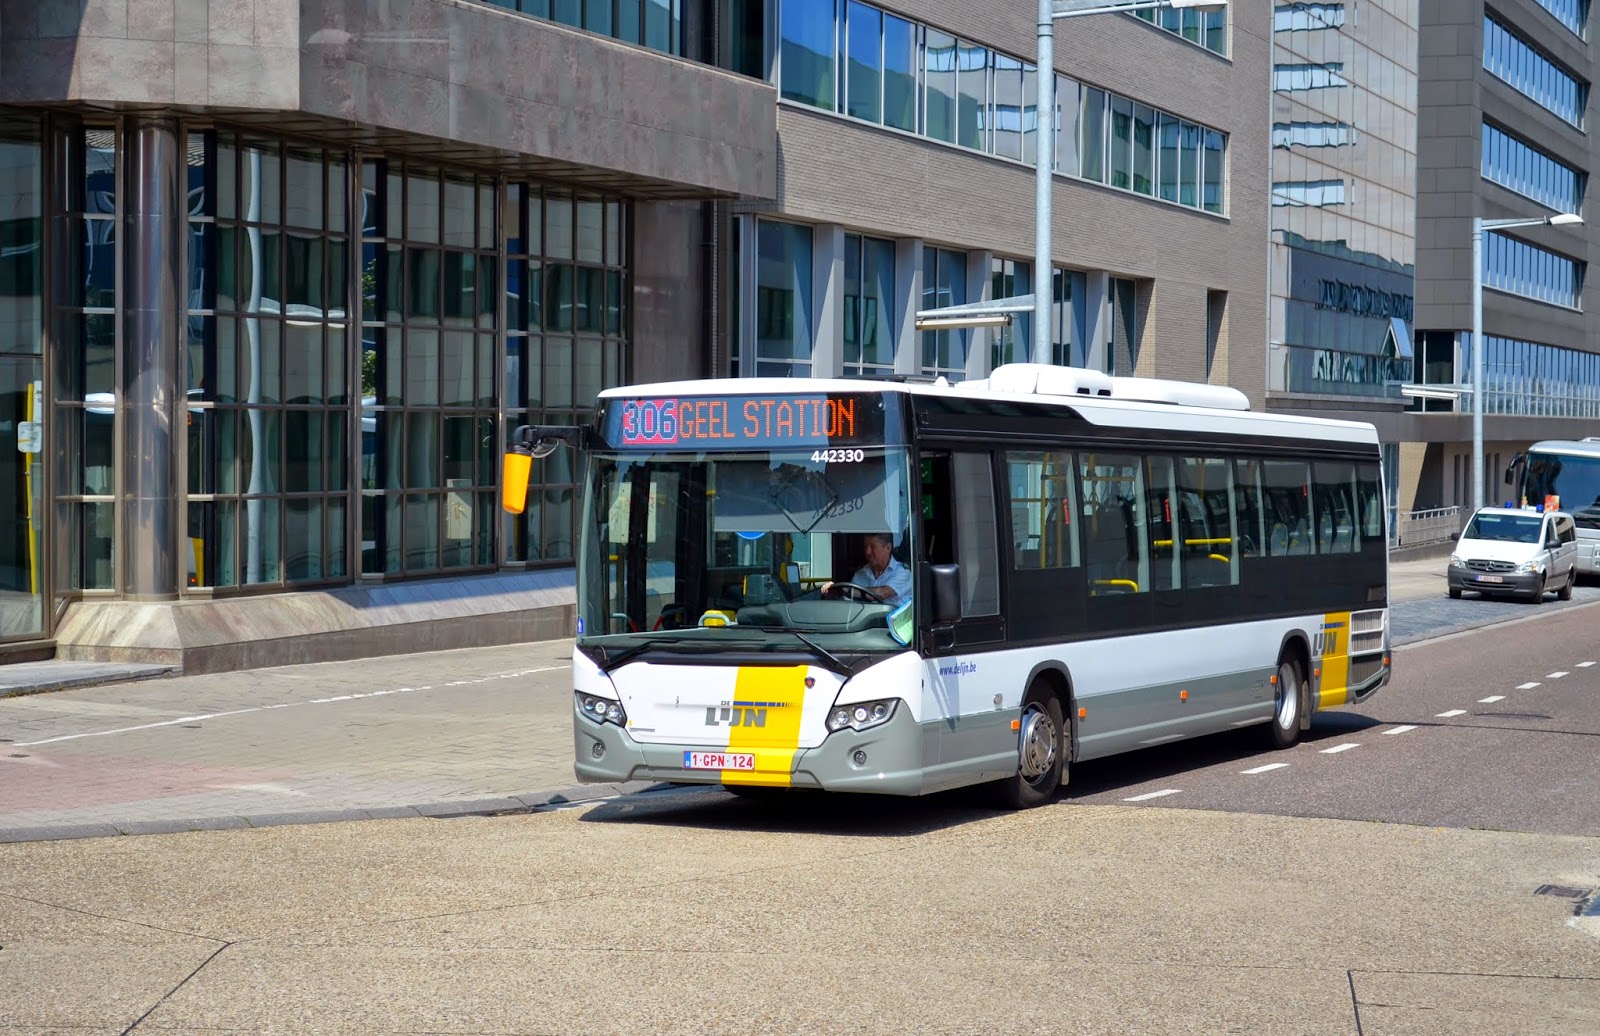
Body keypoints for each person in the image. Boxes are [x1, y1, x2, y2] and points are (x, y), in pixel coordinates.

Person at [822, 532, 912, 606]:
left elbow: (882, 593)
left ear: (888, 548)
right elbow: (850, 605)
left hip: (890, 627)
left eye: (873, 547)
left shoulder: (903, 572)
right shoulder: (860, 575)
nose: (868, 552)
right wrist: (834, 592)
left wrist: (846, 590)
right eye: (866, 547)